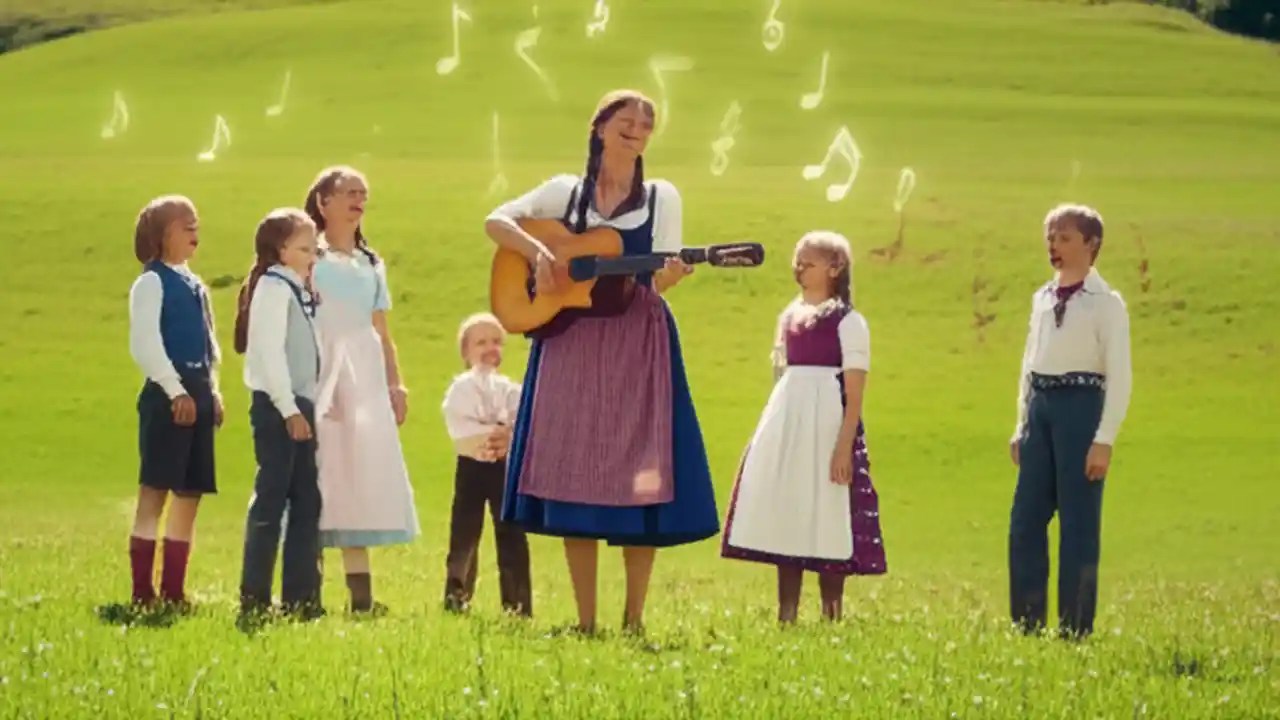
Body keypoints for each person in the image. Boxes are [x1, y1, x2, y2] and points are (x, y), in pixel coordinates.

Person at [482, 89, 719, 633]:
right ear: (600, 128)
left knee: (642, 471)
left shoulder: (662, 197)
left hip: (636, 339)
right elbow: (496, 221)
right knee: (573, 472)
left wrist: (671, 275)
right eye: (626, 119)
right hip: (568, 341)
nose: (636, 127)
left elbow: (655, 278)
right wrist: (540, 254)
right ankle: (586, 621)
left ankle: (633, 619)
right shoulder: (564, 193)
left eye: (646, 123)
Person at [721, 231, 887, 622]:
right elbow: (781, 379)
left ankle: (832, 613)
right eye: (797, 262)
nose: (799, 269)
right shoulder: (789, 317)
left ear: (835, 267)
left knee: (828, 511)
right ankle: (787, 614)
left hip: (827, 424)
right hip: (789, 425)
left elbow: (855, 393)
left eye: (808, 263)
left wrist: (844, 444)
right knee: (790, 509)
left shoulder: (849, 322)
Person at [1008, 203, 1132, 639]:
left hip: (1081, 409)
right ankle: (1026, 620)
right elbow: (1028, 362)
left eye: (1063, 237)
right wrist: (1021, 422)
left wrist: (1104, 438)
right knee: (1025, 519)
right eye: (1050, 237)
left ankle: (1075, 626)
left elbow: (1120, 374)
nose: (1053, 245)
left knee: (1079, 522)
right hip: (1041, 408)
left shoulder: (1107, 304)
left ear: (1090, 244)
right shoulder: (1041, 298)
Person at [305, 166, 418, 614]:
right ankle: (304, 588)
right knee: (318, 472)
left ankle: (361, 599)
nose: (358, 201)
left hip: (365, 375)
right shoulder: (308, 257)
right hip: (322, 370)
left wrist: (395, 382)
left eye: (363, 194)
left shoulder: (371, 263)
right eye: (349, 192)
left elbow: (382, 330)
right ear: (323, 202)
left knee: (358, 475)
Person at [126, 194, 223, 608]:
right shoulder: (151, 283)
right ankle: (142, 590)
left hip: (198, 392)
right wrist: (174, 388)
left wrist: (212, 389)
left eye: (196, 224)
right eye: (186, 225)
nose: (194, 232)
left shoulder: (196, 284)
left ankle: (174, 590)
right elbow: (145, 343)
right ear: (163, 234)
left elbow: (210, 344)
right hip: (169, 396)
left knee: (190, 492)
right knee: (156, 492)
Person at [234, 208, 324, 621]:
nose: (312, 254)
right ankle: (255, 596)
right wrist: (289, 409)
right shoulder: (273, 288)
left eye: (314, 247)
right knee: (272, 498)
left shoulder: (298, 289)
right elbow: (269, 355)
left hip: (300, 402)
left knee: (307, 499)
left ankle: (301, 598)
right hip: (279, 405)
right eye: (304, 248)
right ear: (280, 250)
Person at [440, 312, 532, 616]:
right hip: (471, 466)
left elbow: (523, 421)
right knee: (465, 533)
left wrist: (506, 435)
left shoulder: (510, 389)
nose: (490, 348)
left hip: (505, 467)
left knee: (511, 534)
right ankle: (457, 596)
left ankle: (517, 603)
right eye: (481, 342)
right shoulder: (460, 389)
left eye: (496, 341)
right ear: (466, 352)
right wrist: (489, 435)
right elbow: (458, 425)